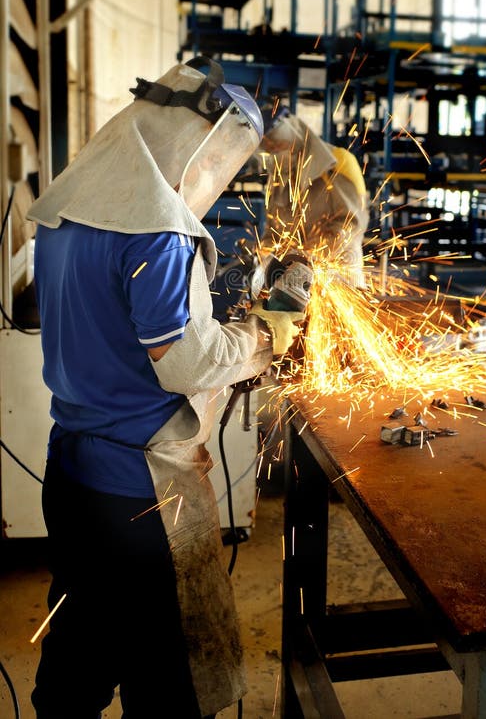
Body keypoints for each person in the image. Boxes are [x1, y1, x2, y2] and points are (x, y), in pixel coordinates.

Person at [27, 57, 303, 719]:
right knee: (169, 681)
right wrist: (264, 335)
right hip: (140, 494)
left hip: (72, 477)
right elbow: (187, 362)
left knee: (79, 654)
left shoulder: (70, 209)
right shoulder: (156, 228)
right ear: (193, 145)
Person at [258, 104, 369, 286]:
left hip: (339, 280)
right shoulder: (278, 177)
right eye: (270, 149)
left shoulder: (340, 161)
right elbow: (272, 229)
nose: (275, 151)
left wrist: (309, 254)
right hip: (291, 281)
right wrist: (266, 252)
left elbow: (350, 224)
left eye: (279, 145)